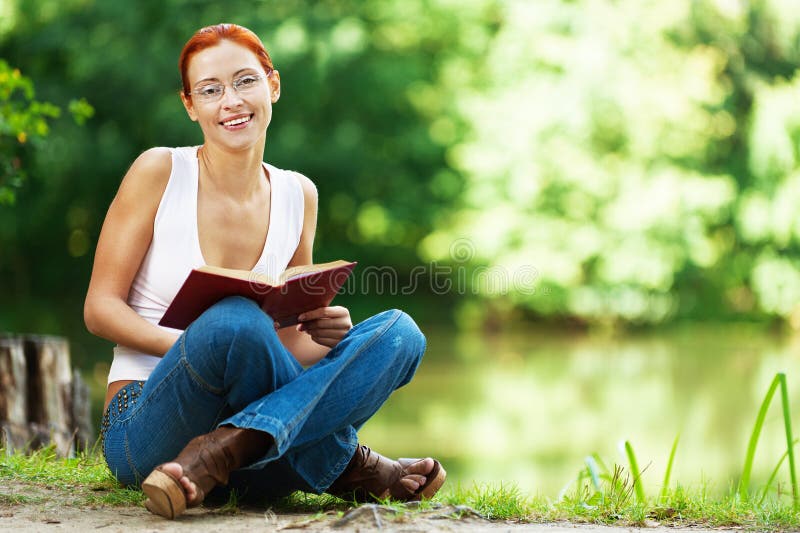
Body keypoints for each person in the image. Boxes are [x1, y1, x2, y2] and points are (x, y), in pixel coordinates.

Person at [84, 23, 445, 520]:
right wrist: (194, 352)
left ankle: (227, 449)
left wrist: (320, 335)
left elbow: (284, 343)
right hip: (145, 425)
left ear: (272, 85)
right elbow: (99, 309)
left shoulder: (300, 194)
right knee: (235, 321)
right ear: (190, 105)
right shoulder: (160, 172)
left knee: (400, 334)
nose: (230, 100)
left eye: (244, 81)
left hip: (240, 457)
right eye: (210, 90)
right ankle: (348, 466)